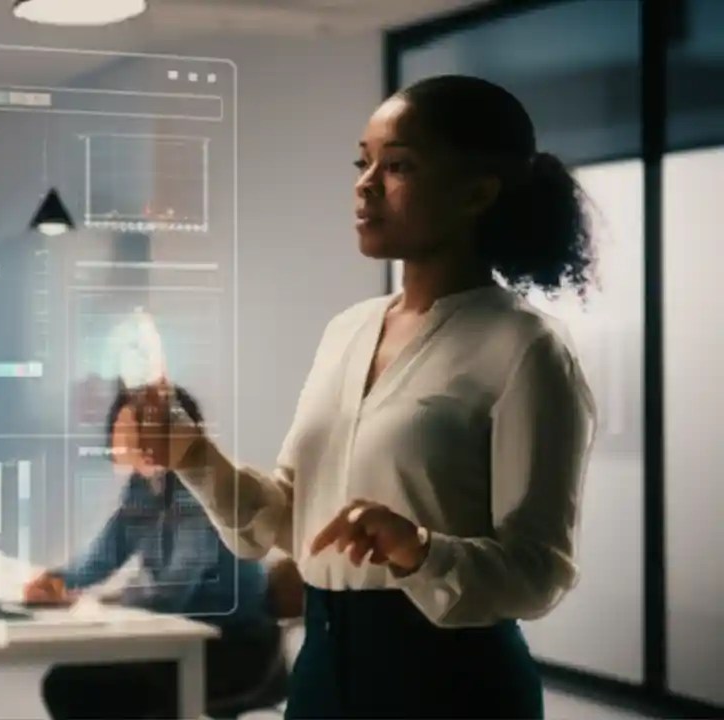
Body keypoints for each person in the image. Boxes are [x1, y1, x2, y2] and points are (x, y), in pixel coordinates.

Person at [131, 75, 598, 719]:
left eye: (399, 164)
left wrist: (418, 547)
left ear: (477, 193)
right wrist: (193, 456)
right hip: (322, 673)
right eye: (363, 161)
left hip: (452, 685)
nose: (365, 183)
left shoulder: (525, 348)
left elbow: (539, 570)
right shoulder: (347, 330)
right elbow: (283, 522)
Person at [25, 383, 282, 720]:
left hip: (233, 647)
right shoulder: (143, 487)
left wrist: (95, 604)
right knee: (67, 683)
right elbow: (106, 552)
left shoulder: (200, 495)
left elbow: (173, 592)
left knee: (79, 687)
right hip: (184, 636)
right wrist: (58, 579)